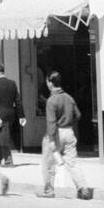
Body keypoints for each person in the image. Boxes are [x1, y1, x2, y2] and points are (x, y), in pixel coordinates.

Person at [38, 71, 93, 200]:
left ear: (50, 83)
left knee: (48, 163)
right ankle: (82, 188)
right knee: (73, 163)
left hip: (56, 133)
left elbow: (51, 122)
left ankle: (48, 190)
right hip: (69, 131)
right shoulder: (69, 98)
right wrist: (68, 121)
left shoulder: (51, 100)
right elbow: (78, 115)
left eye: (47, 82)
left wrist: (51, 139)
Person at [0, 62, 24, 166]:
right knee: (5, 135)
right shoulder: (12, 83)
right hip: (10, 113)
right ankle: (0, 158)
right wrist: (21, 115)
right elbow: (18, 100)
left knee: (1, 137)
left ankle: (8, 160)